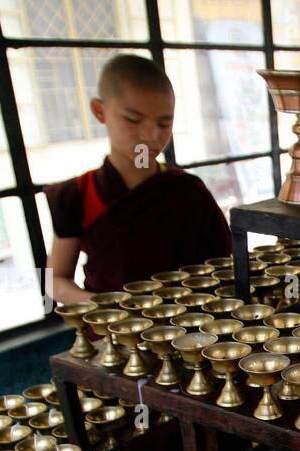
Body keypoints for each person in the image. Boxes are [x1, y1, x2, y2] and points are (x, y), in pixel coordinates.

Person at [45, 54, 231, 302]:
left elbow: (225, 265)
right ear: (100, 111)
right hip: (111, 332)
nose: (151, 135)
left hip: (190, 331)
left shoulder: (188, 190)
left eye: (164, 123)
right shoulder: (78, 194)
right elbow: (54, 280)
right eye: (133, 120)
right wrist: (103, 309)